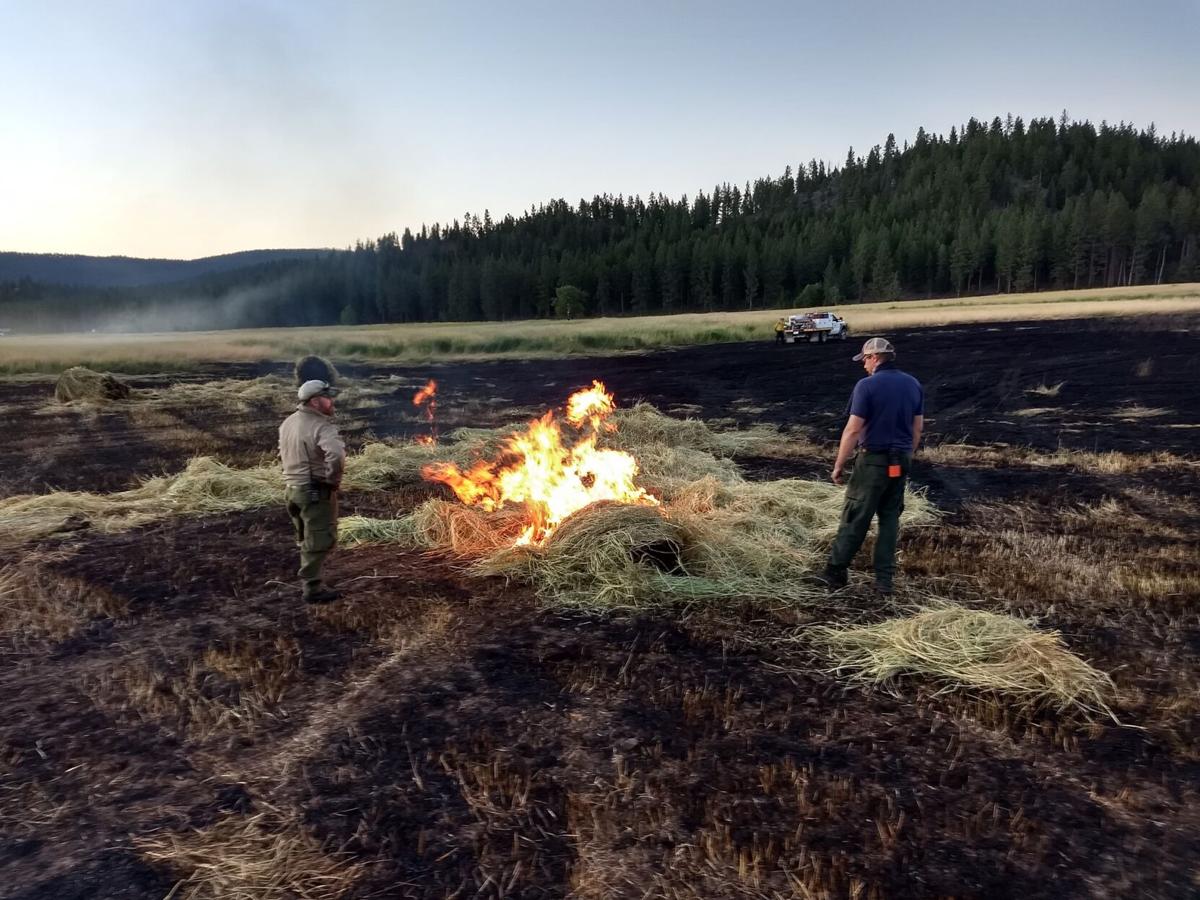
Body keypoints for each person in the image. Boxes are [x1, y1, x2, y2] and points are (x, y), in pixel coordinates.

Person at [821, 337, 924, 594]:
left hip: (873, 461)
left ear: (874, 358)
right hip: (901, 460)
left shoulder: (866, 386)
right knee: (890, 518)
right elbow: (918, 428)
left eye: (865, 359)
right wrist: (906, 455)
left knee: (856, 515)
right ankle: (884, 581)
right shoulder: (913, 384)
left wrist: (839, 465)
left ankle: (835, 573)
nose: (863, 365)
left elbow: (853, 429)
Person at [279, 380, 346, 603]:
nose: (332, 401)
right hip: (314, 492)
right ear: (315, 401)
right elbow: (336, 455)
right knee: (320, 539)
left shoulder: (288, 422)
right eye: (328, 397)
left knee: (305, 536)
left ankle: (310, 578)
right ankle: (312, 589)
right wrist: (333, 480)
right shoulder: (321, 425)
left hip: (292, 490)